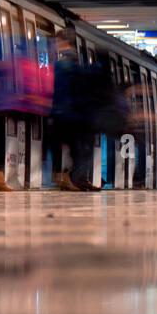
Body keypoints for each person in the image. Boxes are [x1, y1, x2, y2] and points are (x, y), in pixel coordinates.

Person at [47, 29, 97, 192]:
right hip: (78, 114)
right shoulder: (80, 63)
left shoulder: (62, 65)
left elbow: (58, 91)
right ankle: (76, 179)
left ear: (62, 41)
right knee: (78, 149)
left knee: (60, 147)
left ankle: (66, 179)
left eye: (56, 41)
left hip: (64, 113)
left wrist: (53, 112)